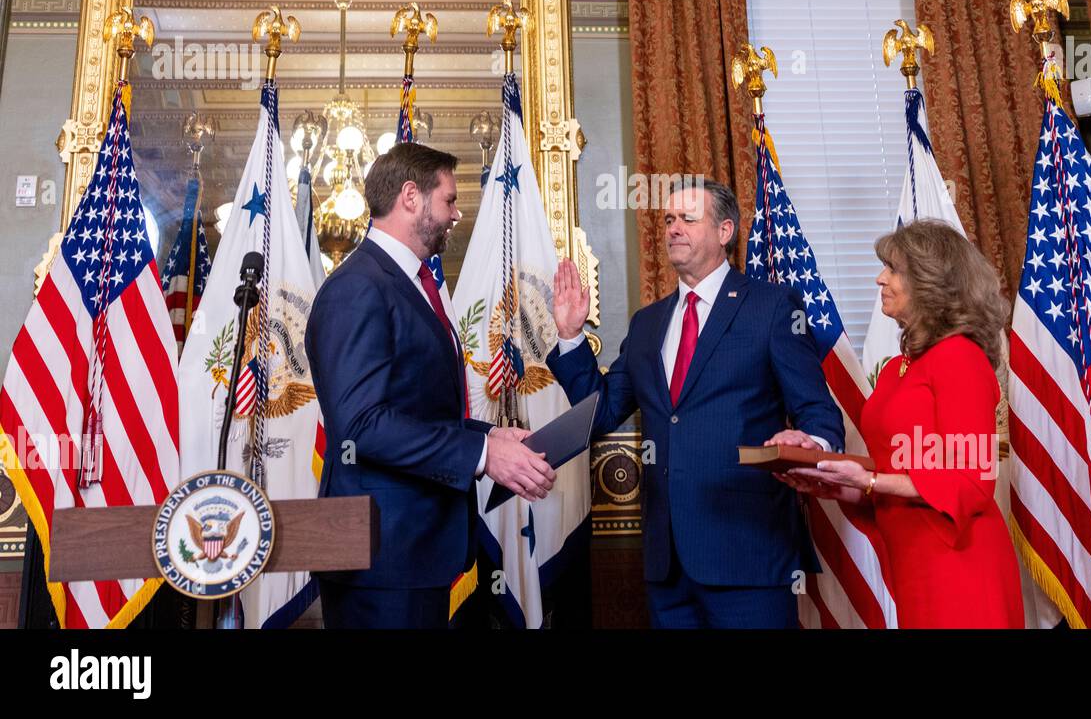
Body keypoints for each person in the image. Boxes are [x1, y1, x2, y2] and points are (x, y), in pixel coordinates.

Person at [549, 177, 844, 628]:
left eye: (688, 218)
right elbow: (604, 412)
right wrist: (571, 337)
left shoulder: (772, 307)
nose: (673, 228)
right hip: (667, 564)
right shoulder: (648, 323)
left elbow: (819, 411)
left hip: (748, 555)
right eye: (668, 219)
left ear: (725, 232)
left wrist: (811, 446)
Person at [305, 142, 554, 628]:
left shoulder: (407, 281)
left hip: (412, 552)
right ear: (411, 197)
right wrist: (482, 458)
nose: (456, 213)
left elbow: (411, 410)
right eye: (449, 200)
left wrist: (487, 437)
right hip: (380, 556)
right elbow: (362, 426)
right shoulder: (359, 287)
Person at [781, 219, 1024, 628]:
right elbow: (898, 473)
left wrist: (869, 481)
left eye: (893, 269)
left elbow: (971, 481)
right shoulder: (898, 368)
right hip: (913, 560)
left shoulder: (960, 358)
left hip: (958, 562)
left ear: (931, 282)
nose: (880, 278)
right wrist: (831, 482)